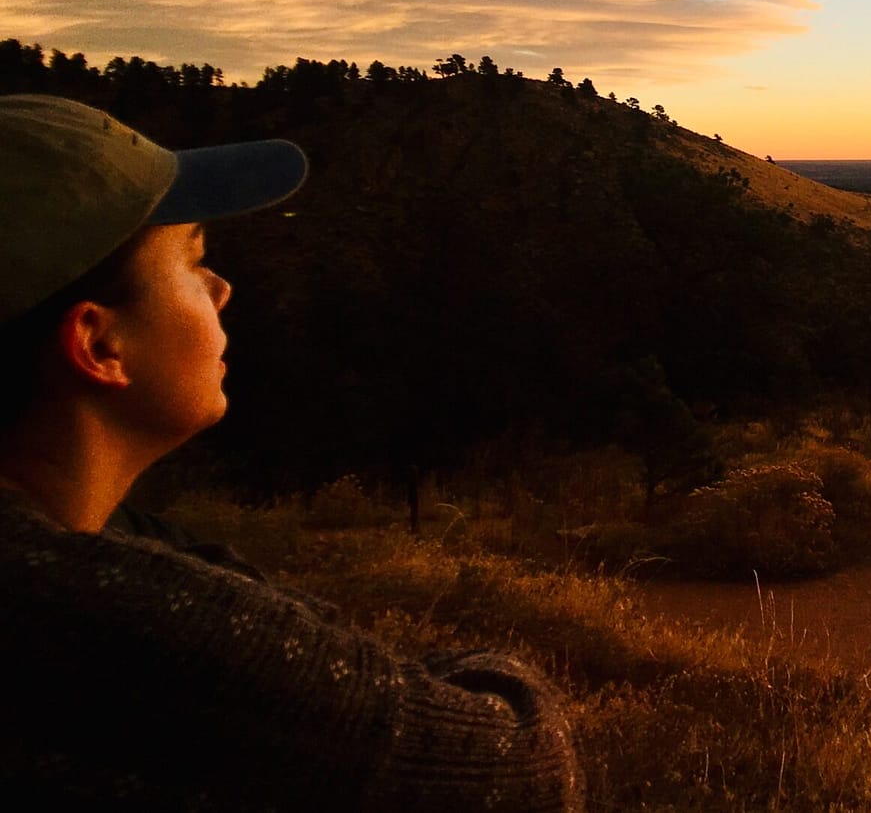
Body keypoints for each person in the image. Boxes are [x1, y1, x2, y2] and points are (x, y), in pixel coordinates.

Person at [0, 94, 584, 808]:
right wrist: (480, 667)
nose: (222, 288)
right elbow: (523, 761)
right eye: (192, 262)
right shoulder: (83, 615)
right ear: (99, 344)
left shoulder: (99, 546)